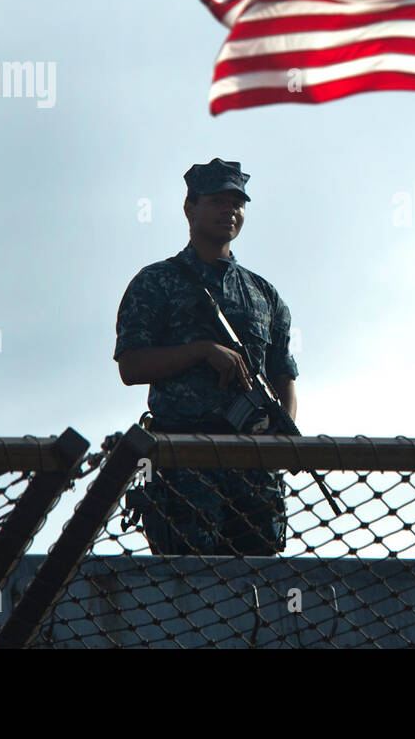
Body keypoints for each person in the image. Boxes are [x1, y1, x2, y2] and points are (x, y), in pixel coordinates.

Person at [113, 158, 299, 555]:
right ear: (189, 208)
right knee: (188, 589)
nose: (229, 211)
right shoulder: (156, 282)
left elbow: (283, 374)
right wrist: (201, 352)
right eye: (217, 201)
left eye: (237, 203)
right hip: (185, 463)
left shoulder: (263, 294)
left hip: (254, 470)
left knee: (261, 584)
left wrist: (279, 436)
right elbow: (131, 366)